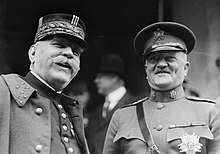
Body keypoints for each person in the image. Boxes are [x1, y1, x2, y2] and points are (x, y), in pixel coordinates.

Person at [103, 22, 220, 154]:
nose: (162, 64)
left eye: (170, 58)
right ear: (146, 69)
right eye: (154, 59)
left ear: (185, 68)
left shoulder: (211, 113)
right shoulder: (121, 117)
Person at [0, 13, 90, 154]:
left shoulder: (71, 110)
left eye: (76, 52)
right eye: (59, 45)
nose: (69, 53)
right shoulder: (3, 90)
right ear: (33, 53)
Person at [86, 54, 140, 154]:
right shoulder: (97, 111)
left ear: (113, 78)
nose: (96, 81)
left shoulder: (136, 106)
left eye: (100, 77)